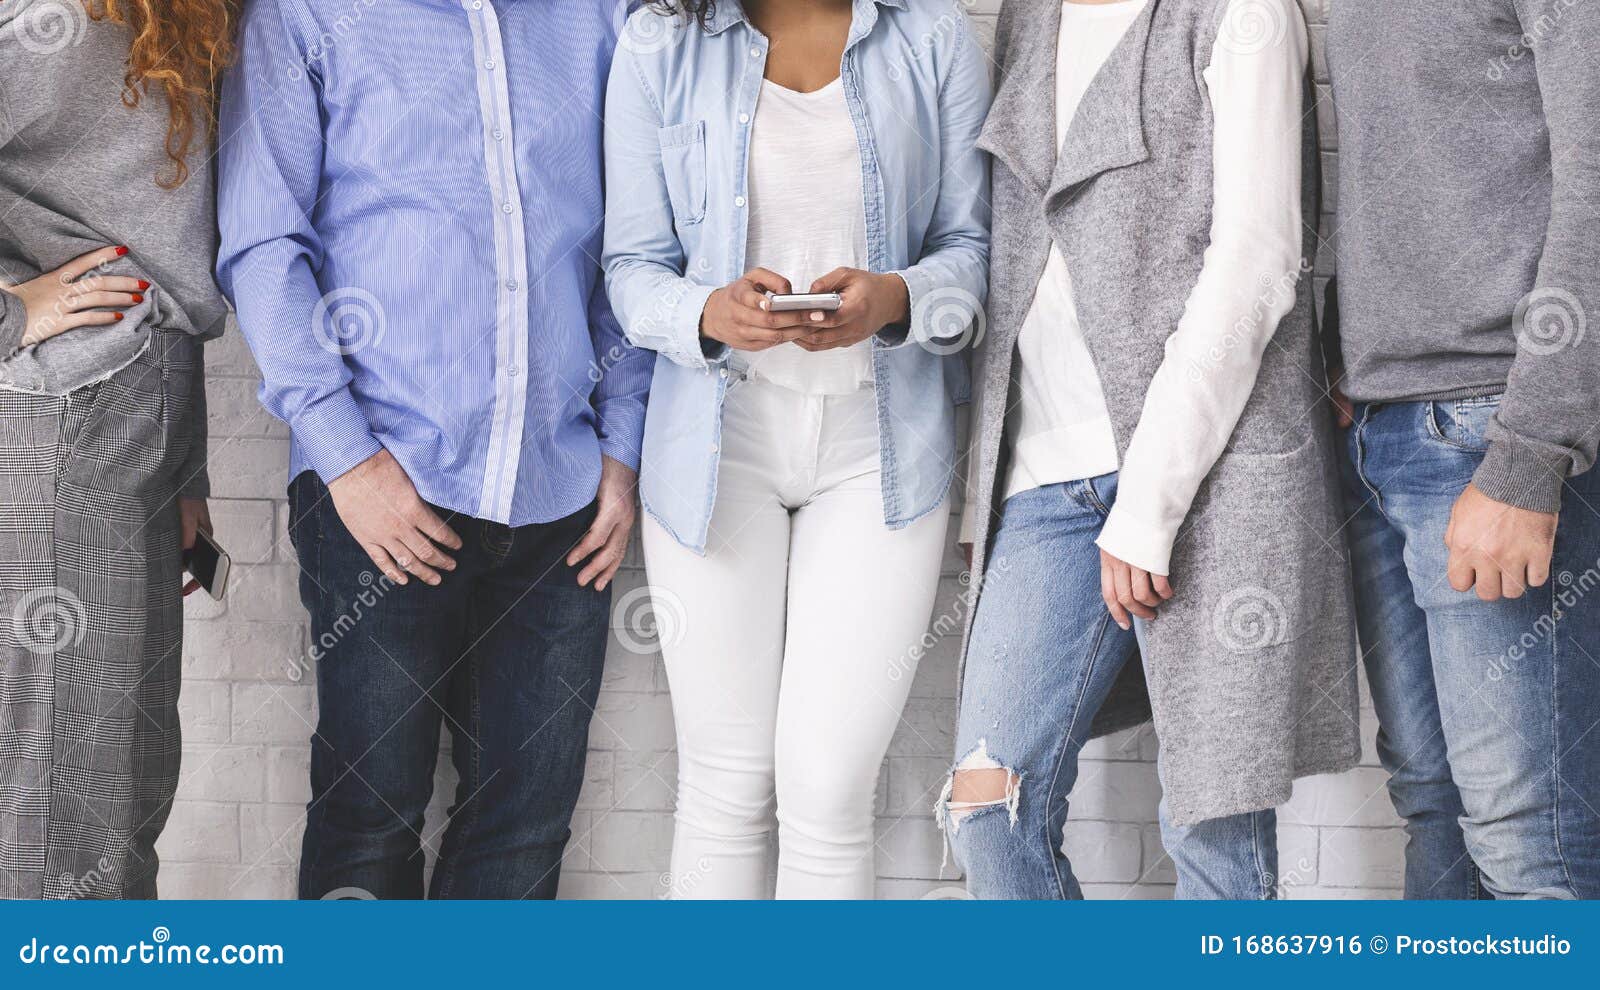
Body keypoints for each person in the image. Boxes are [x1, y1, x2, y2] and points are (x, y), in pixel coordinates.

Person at [217, 0, 651, 899]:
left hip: (561, 498)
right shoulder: (305, 14)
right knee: (370, 817)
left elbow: (636, 248)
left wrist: (623, 446)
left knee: (524, 823)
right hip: (382, 490)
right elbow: (263, 246)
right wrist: (347, 458)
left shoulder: (605, 18)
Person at [944, 0, 1357, 899]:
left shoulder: (1242, 14)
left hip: (1214, 475)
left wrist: (1149, 504)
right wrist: (990, 484)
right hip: (1044, 478)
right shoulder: (1030, 16)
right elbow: (1017, 259)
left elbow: (1257, 258)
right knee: (988, 801)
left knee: (1210, 829)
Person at [603, 0, 990, 898]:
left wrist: (892, 298)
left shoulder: (931, 38)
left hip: (879, 454)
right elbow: (630, 265)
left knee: (827, 788)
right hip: (715, 450)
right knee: (725, 783)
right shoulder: (659, 43)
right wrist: (707, 311)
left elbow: (975, 248)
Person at [1327, 0, 1600, 899]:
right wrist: (1346, 345)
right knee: (1432, 801)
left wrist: (1529, 453)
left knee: (1532, 846)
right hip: (1378, 428)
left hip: (1493, 430)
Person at [0, 0, 232, 898]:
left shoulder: (179, 21)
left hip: (135, 432)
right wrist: (16, 313)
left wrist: (187, 467)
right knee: (67, 820)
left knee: (123, 790)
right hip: (66, 434)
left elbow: (171, 272)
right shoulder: (56, 24)